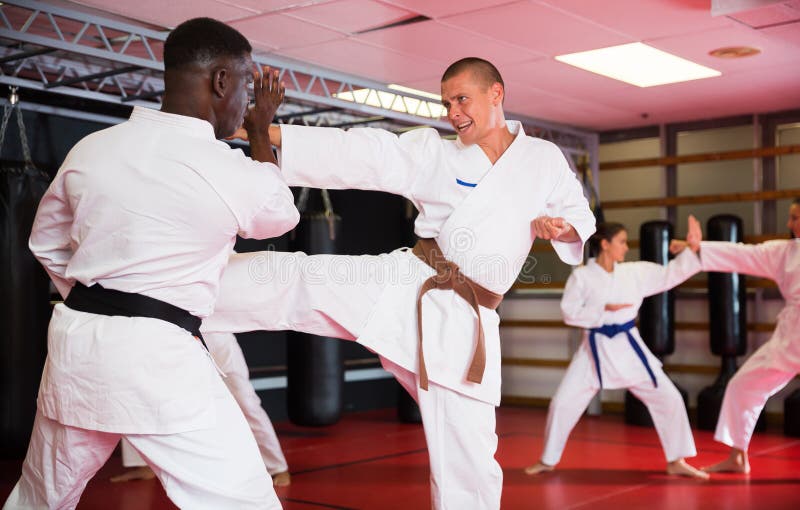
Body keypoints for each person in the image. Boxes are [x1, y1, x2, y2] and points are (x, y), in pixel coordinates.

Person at [203, 57, 596, 509]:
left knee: (468, 461)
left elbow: (578, 215)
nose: (453, 112)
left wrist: (561, 228)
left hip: (464, 323)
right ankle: (184, 292)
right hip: (408, 281)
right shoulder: (437, 154)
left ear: (496, 94)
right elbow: (364, 155)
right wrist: (261, 134)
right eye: (446, 103)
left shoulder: (541, 159)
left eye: (462, 99)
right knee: (302, 277)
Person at [3, 18, 298, 510]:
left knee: (38, 499)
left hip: (78, 350)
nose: (247, 100)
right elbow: (281, 215)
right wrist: (260, 130)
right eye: (247, 86)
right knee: (244, 501)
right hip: (160, 361)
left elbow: (46, 243)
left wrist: (102, 300)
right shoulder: (225, 167)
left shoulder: (92, 149)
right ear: (221, 80)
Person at [524, 219, 709, 479]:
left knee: (670, 397)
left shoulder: (634, 273)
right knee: (562, 403)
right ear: (605, 244)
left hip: (628, 348)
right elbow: (569, 312)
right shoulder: (582, 276)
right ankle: (547, 459)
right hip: (594, 350)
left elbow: (670, 275)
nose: (626, 247)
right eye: (621, 241)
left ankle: (676, 460)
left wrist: (693, 250)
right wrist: (602, 311)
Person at [679, 200, 800, 474]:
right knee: (742, 385)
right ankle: (737, 457)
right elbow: (746, 255)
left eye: (795, 217)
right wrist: (701, 248)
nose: (789, 224)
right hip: (792, 336)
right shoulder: (786, 252)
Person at [112, 332, 291, 487]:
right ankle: (143, 463)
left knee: (246, 403)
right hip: (171, 335)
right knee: (142, 395)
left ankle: (277, 465)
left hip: (214, 335)